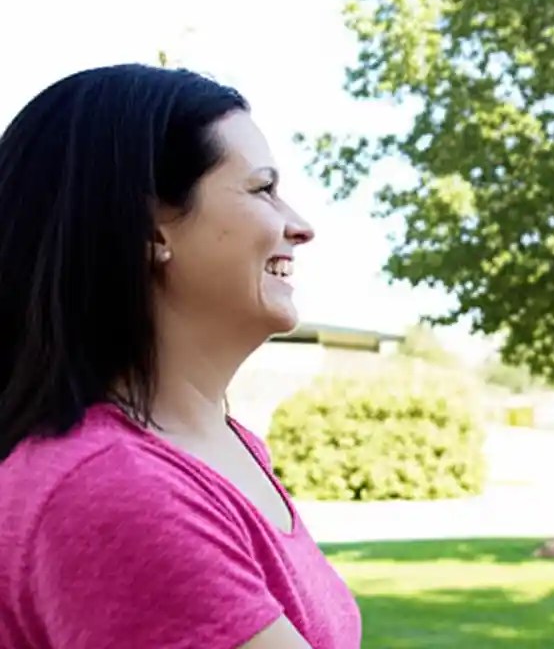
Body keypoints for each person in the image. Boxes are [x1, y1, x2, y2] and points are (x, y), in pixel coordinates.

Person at [0, 65, 362, 648]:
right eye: (262, 189)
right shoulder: (116, 489)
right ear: (151, 230)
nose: (301, 227)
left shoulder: (228, 448)